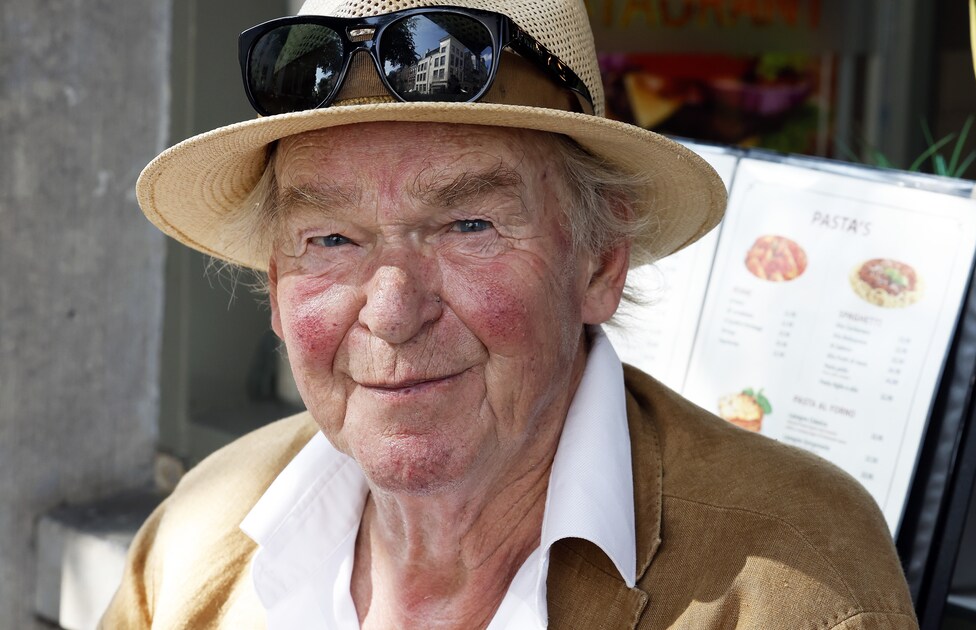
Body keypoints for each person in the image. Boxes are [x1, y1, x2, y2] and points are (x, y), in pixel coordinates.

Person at [103, 0, 918, 628]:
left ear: (599, 263)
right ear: (278, 286)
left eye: (469, 225)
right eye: (330, 237)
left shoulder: (795, 583)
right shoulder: (195, 539)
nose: (391, 312)